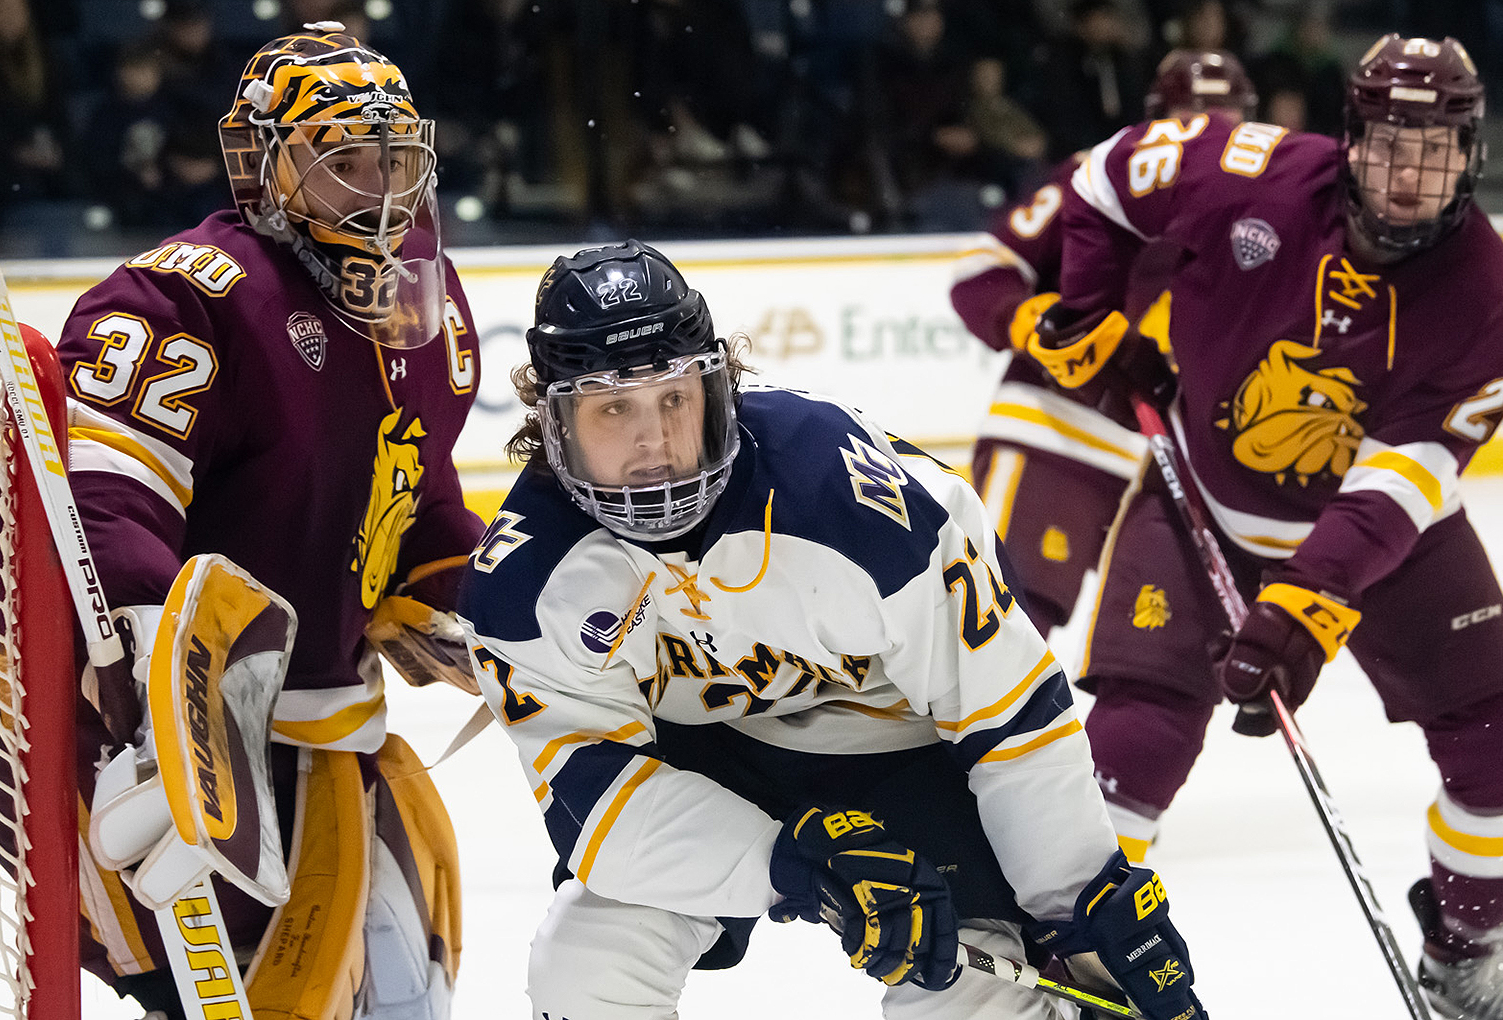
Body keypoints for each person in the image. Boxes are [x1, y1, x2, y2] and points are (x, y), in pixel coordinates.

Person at [455, 240, 1210, 1020]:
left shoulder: (856, 502)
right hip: (705, 770)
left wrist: (1085, 912)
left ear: (720, 389)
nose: (656, 445)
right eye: (614, 409)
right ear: (552, 422)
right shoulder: (523, 587)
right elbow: (605, 808)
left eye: (675, 399)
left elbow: (1008, 719)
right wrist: (795, 862)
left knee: (972, 993)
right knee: (586, 964)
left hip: (907, 760)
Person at [1033, 34, 1503, 1020]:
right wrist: (1089, 317)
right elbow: (1103, 183)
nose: (1409, 174)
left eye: (1437, 149)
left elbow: (1394, 490)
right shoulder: (1244, 172)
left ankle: (1465, 956)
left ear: (1473, 156)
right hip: (1202, 487)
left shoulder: (1490, 310)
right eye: (1388, 144)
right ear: (1349, 139)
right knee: (1133, 745)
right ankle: (1088, 971)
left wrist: (1304, 605)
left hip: (1377, 539)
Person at [55, 23, 484, 1018]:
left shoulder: (424, 293)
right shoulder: (186, 297)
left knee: (403, 1000)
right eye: (342, 163)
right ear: (265, 167)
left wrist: (464, 597)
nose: (378, 192)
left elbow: (413, 487)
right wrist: (153, 684)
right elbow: (104, 506)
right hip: (176, 744)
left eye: (395, 160)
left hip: (333, 737)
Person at [950, 48, 1255, 637]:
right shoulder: (1100, 174)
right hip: (1051, 435)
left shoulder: (1269, 207)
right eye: (1191, 113)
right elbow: (981, 270)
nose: (1208, 131)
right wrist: (1033, 324)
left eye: (1225, 116)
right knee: (994, 631)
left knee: (1122, 655)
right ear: (1156, 118)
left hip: (1156, 467)